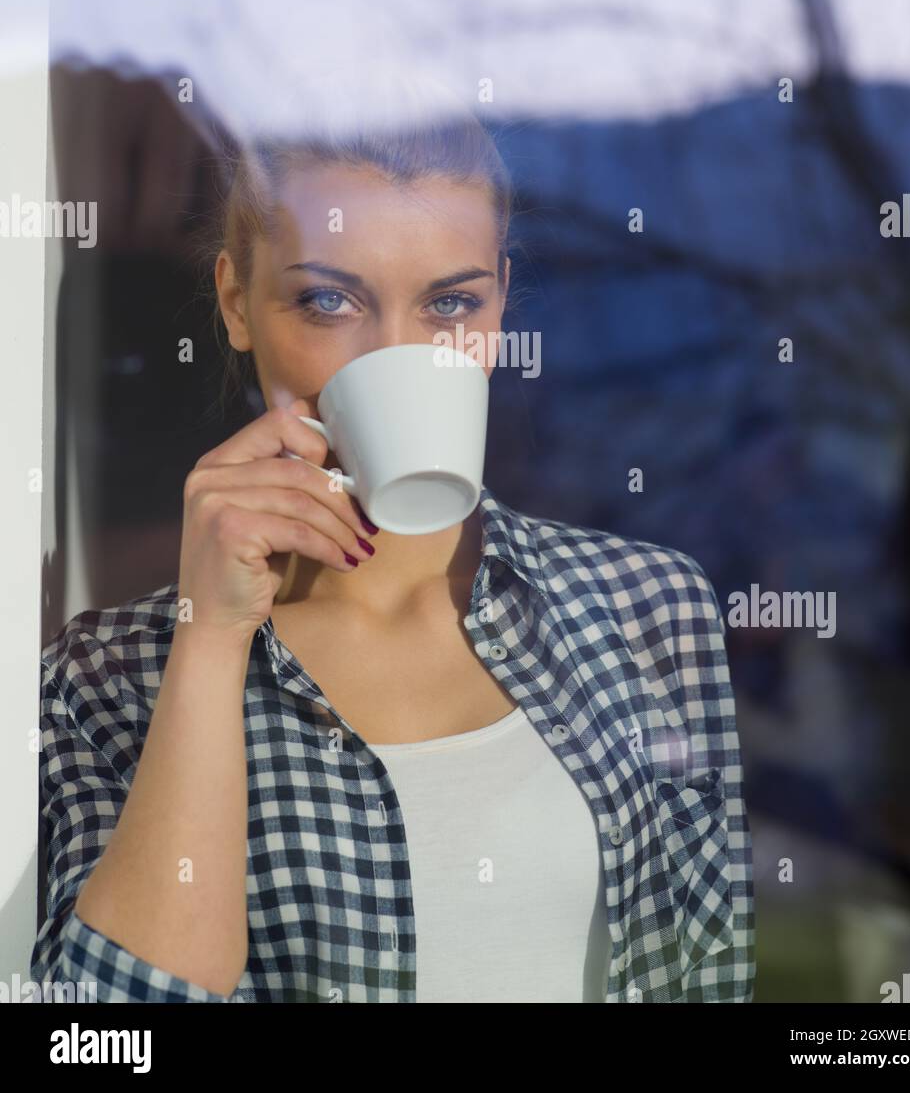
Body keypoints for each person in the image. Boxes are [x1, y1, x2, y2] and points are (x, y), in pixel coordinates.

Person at [30, 71, 755, 1003]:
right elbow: (108, 1031)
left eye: (449, 305)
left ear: (498, 307)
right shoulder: (107, 676)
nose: (394, 358)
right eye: (329, 303)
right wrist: (208, 637)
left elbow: (706, 984)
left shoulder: (646, 607)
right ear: (236, 303)